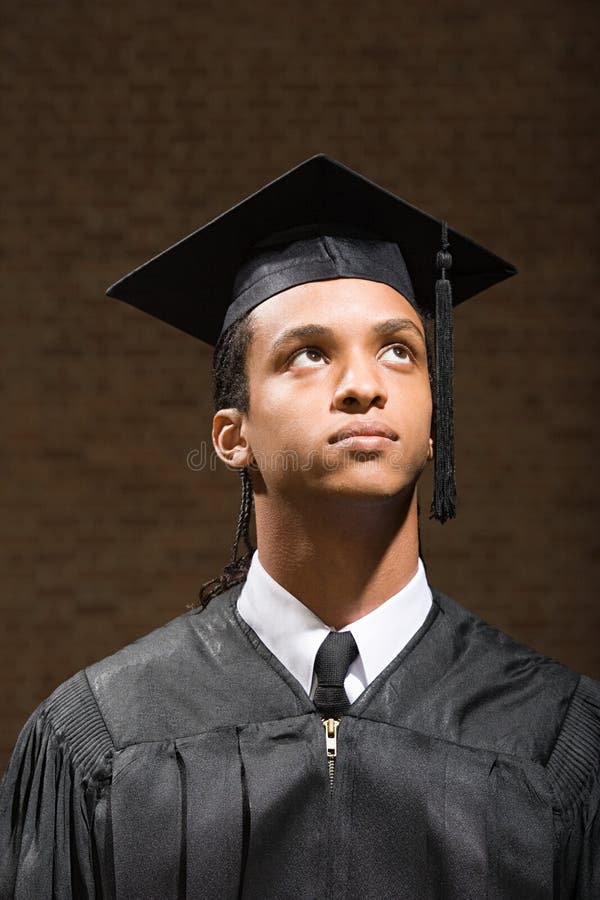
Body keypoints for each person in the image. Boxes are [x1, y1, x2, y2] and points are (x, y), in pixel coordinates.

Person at [1, 155, 598, 899]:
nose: (363, 385)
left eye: (399, 351)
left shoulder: (556, 734)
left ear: (435, 427)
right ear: (231, 435)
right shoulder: (100, 736)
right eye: (309, 353)